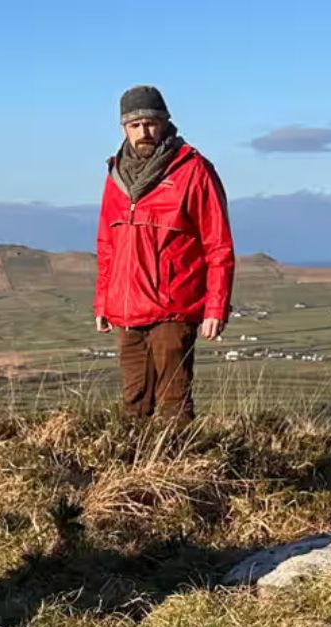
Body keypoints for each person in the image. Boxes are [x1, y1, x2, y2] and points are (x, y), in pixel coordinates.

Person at [94, 84, 235, 424]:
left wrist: (215, 306)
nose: (144, 131)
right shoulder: (116, 177)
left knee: (175, 405)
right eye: (134, 124)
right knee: (134, 406)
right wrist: (103, 301)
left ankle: (179, 472)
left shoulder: (193, 170)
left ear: (165, 122)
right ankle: (135, 472)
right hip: (127, 311)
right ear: (124, 129)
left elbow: (218, 244)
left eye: (151, 122)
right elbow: (107, 246)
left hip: (173, 308)